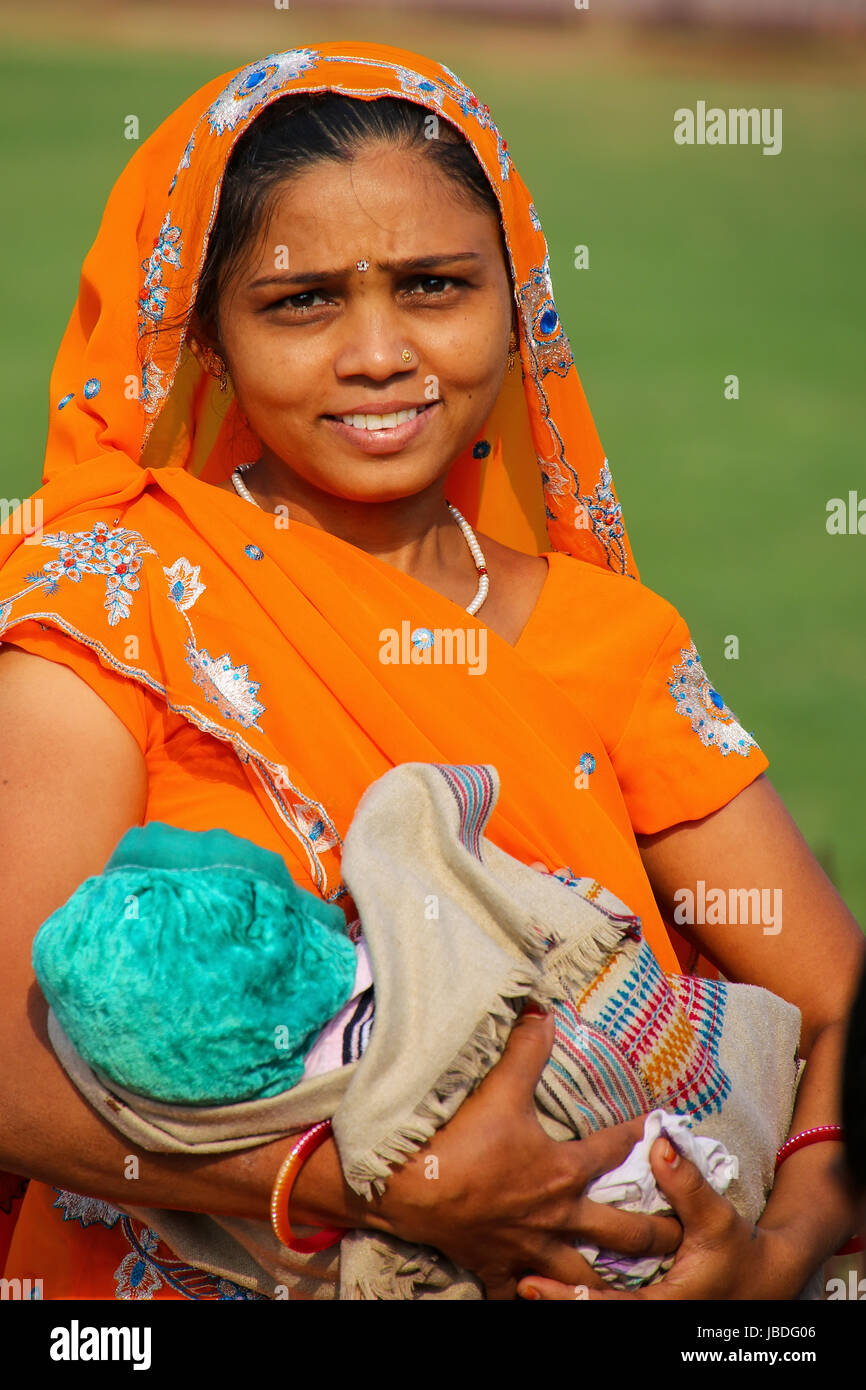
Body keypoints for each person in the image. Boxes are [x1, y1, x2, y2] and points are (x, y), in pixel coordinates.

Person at [0, 41, 862, 1303]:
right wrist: (384, 1184)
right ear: (212, 339)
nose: (376, 354)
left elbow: (838, 1001)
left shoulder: (607, 640)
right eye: (299, 301)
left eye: (434, 287)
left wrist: (772, 1259)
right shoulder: (116, 600)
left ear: (517, 311)